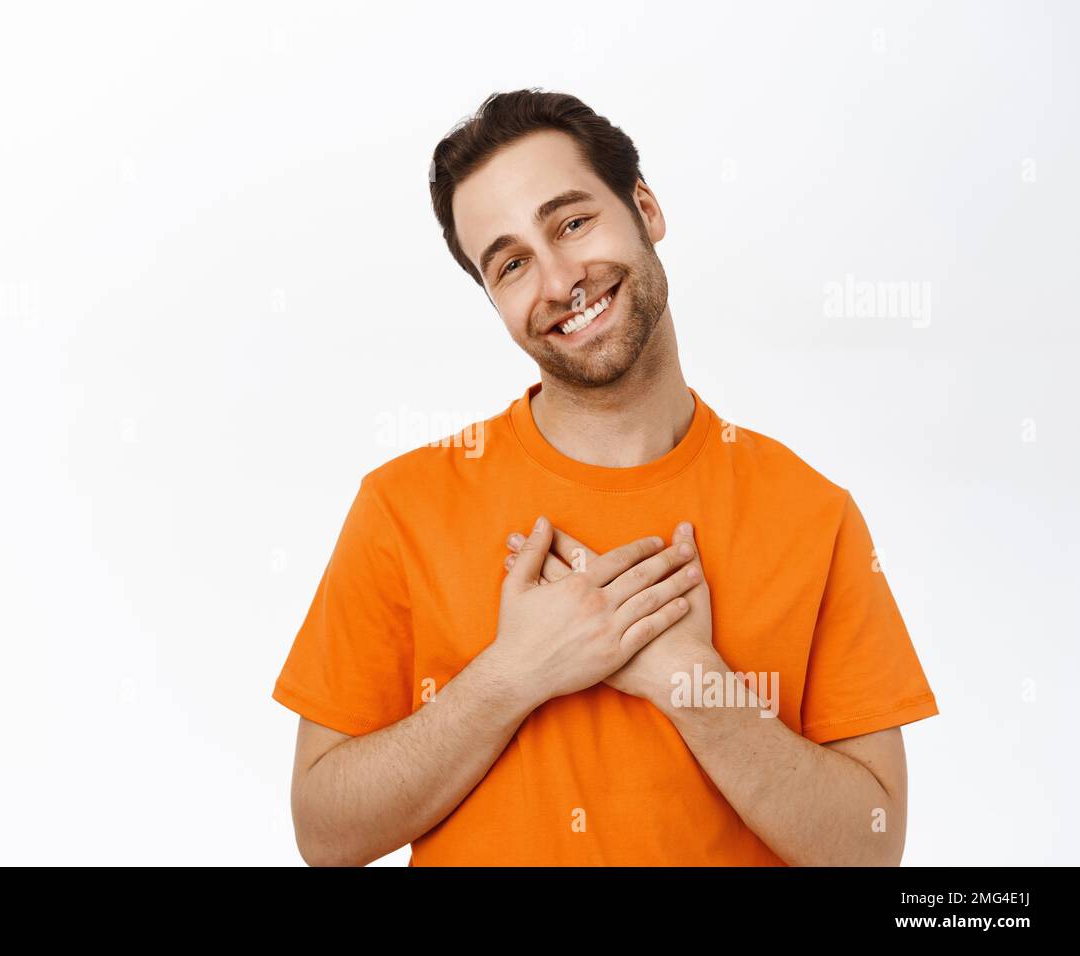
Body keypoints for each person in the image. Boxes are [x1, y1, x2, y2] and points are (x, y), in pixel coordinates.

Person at [271, 88, 938, 866]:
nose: (559, 281)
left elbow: (871, 848)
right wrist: (513, 675)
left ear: (646, 209)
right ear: (493, 298)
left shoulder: (813, 514)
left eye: (573, 222)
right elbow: (324, 834)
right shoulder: (402, 505)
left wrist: (694, 685)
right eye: (513, 262)